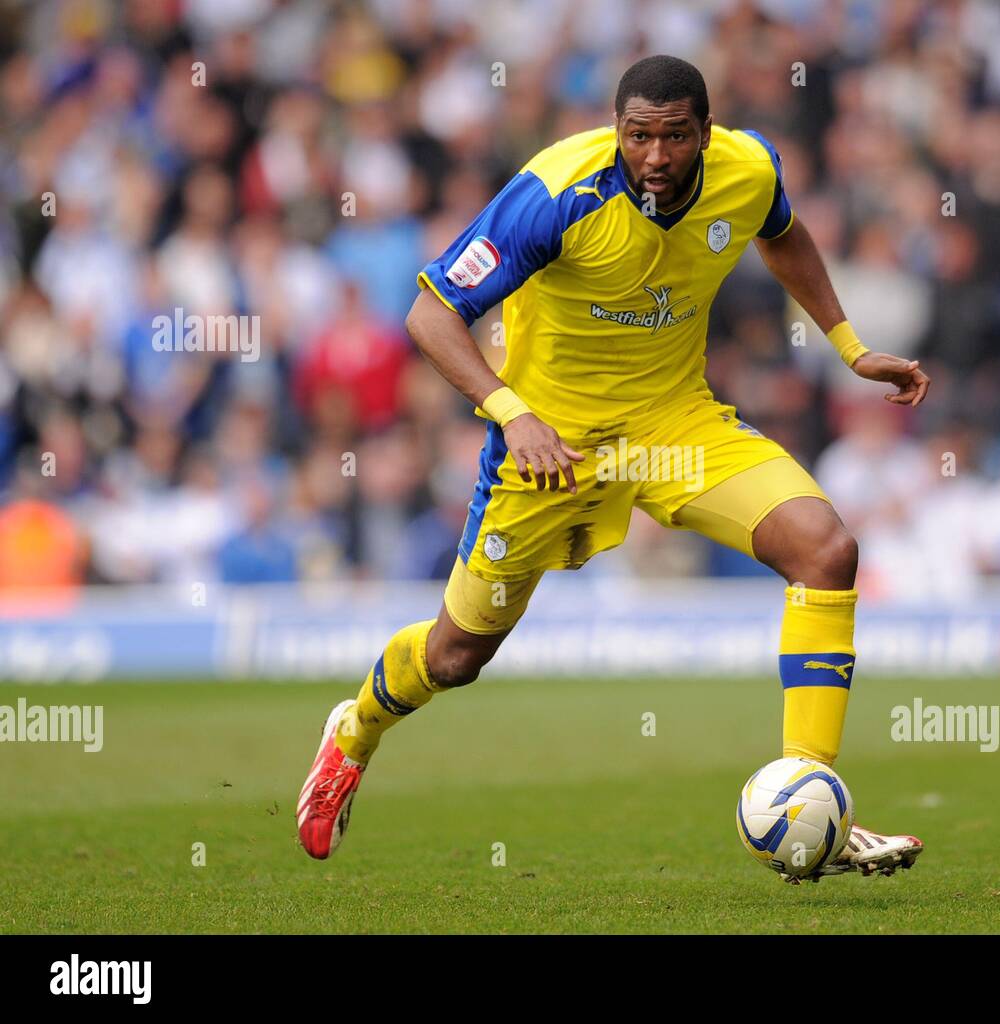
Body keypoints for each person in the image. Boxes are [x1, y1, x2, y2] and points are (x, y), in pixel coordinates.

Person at [297, 55, 930, 882]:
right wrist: (511, 413)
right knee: (455, 658)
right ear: (616, 129)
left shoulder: (747, 167)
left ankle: (811, 797)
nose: (656, 156)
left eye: (674, 137)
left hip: (675, 426)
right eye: (639, 136)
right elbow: (432, 312)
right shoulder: (555, 191)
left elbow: (783, 233)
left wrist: (848, 347)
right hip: (548, 448)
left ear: (705, 132)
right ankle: (355, 733)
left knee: (826, 550)